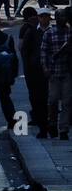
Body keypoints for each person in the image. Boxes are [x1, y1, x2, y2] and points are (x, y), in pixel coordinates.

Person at [20, 7, 51, 138]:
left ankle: (48, 124)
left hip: (51, 70)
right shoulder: (32, 32)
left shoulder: (52, 31)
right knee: (36, 97)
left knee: (49, 98)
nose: (44, 19)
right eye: (42, 16)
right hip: (34, 71)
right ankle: (41, 122)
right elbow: (24, 50)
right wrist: (28, 68)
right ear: (38, 18)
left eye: (46, 16)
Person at [42, 8, 72, 140]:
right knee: (53, 100)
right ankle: (52, 123)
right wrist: (45, 67)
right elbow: (44, 52)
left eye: (64, 17)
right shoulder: (49, 33)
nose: (62, 19)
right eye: (59, 17)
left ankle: (63, 129)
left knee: (67, 102)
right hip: (54, 71)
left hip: (67, 72)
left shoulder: (70, 33)